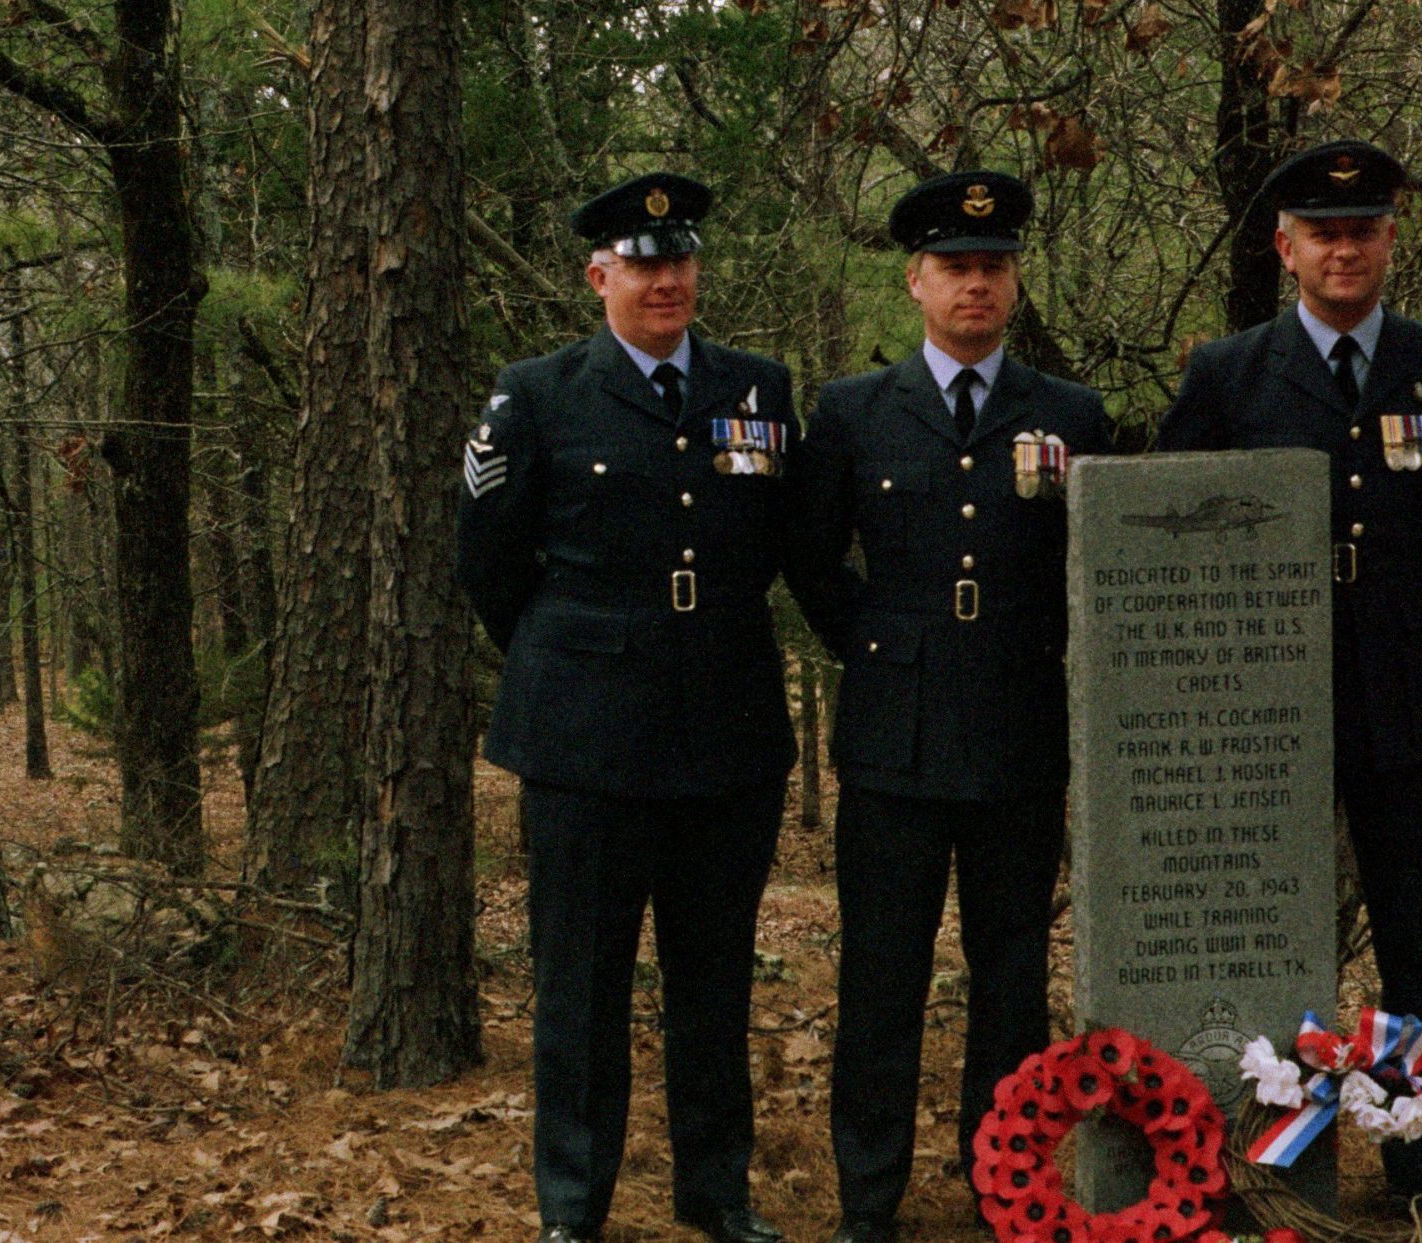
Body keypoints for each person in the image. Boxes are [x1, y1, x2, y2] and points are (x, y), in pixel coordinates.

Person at [457, 173, 816, 1243]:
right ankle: (573, 1206)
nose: (667, 281)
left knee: (712, 985)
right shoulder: (538, 393)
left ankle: (718, 1193)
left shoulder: (758, 389)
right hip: (585, 736)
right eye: (644, 263)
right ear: (598, 273)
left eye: (681, 261)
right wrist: (578, 656)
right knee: (581, 989)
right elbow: (489, 564)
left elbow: (783, 545)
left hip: (725, 729)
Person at [1154, 138, 1422, 1199]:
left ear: (1391, 239)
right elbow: (1173, 520)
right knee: (1263, 933)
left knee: (1419, 944)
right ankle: (1268, 1175)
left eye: (1362, 231)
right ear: (1284, 248)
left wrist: (1391, 606)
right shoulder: (1229, 372)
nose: (1343, 251)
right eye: (1322, 235)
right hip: (1265, 700)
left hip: (1400, 681)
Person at [792, 171, 1112, 1243]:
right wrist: (884, 653)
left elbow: (1094, 570)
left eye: (994, 267)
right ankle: (867, 1201)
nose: (975, 285)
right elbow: (810, 559)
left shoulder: (1070, 415)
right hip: (895, 735)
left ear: (1014, 284)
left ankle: (1006, 1187)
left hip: (1021, 732)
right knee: (881, 977)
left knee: (1011, 978)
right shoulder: (850, 410)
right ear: (914, 282)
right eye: (955, 268)